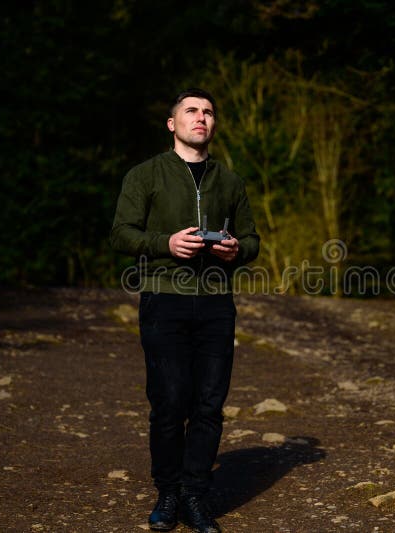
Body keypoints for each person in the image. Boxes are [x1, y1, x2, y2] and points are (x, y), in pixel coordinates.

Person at [110, 88, 260, 533]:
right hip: (163, 299)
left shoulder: (231, 182)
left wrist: (237, 250)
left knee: (210, 404)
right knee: (170, 402)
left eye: (209, 112)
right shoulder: (145, 175)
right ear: (172, 124)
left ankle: (196, 496)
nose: (202, 118)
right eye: (192, 111)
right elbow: (120, 234)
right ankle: (168, 492)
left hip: (216, 304)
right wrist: (165, 243)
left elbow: (253, 240)